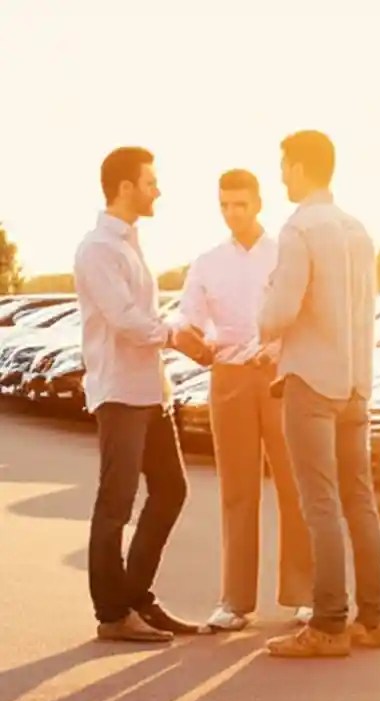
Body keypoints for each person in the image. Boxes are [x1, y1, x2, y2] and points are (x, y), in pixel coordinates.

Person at [73, 146, 211, 642]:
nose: (158, 190)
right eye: (151, 181)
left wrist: (182, 330)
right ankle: (112, 614)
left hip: (152, 392)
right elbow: (127, 321)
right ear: (125, 186)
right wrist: (176, 336)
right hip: (119, 393)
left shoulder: (130, 244)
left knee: (171, 489)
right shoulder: (98, 249)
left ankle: (135, 597)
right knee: (116, 502)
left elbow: (147, 316)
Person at [259, 130, 380, 658]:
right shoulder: (357, 230)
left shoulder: (299, 230)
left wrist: (263, 312)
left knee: (320, 503)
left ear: (299, 166)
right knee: (360, 500)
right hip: (356, 382)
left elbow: (278, 313)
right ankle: (373, 619)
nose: (281, 175)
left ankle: (329, 624)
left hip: (311, 381)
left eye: (284, 165)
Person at [179, 169, 315, 633]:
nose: (233, 213)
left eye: (241, 204)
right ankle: (235, 602)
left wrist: (276, 350)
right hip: (229, 378)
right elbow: (190, 320)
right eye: (225, 205)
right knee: (238, 490)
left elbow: (302, 314)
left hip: (279, 376)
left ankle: (304, 594)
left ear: (258, 203)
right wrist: (191, 340)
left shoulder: (284, 255)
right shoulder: (207, 262)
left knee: (294, 485)